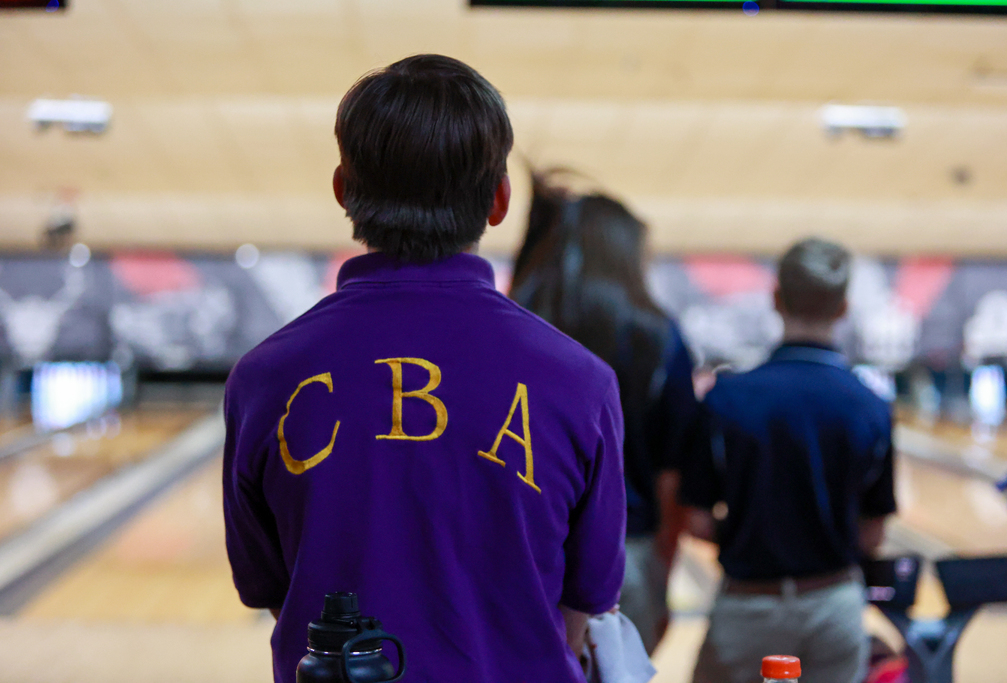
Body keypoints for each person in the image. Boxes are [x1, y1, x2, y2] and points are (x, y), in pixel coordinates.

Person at [222, 55, 627, 683]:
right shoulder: (582, 382)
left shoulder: (263, 380)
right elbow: (586, 601)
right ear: (499, 200)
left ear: (342, 190)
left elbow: (275, 592)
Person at [679, 237, 896, 683]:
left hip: (747, 605)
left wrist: (751, 534)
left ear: (775, 299)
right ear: (843, 308)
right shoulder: (870, 405)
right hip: (833, 605)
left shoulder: (726, 400)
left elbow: (697, 522)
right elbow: (872, 534)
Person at [510, 173, 698, 653]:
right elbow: (671, 476)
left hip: (524, 551)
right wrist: (664, 574)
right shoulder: (659, 334)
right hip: (627, 556)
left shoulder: (518, 323)